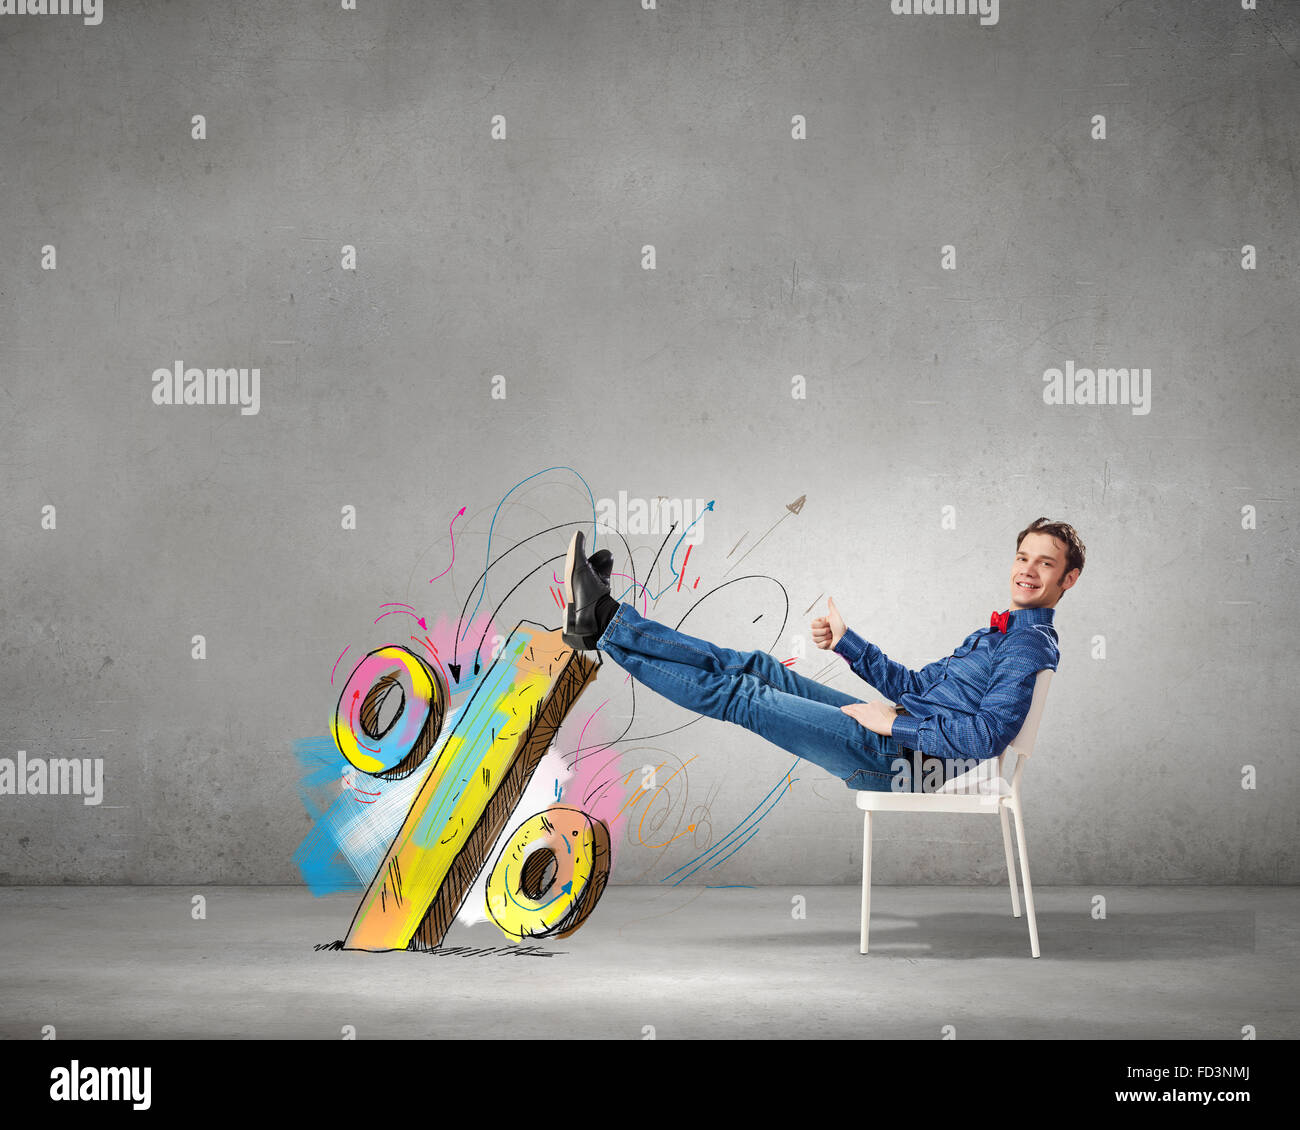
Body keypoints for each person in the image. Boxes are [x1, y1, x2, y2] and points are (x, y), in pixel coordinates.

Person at [561, 517, 1084, 792]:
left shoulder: (1027, 646)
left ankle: (602, 622)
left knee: (745, 694)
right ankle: (602, 620)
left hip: (903, 763)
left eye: (1045, 564)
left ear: (1069, 578)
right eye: (1023, 557)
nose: (1027, 570)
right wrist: (847, 642)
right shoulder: (999, 633)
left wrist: (891, 728)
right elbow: (918, 690)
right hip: (901, 741)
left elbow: (988, 737)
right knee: (759, 668)